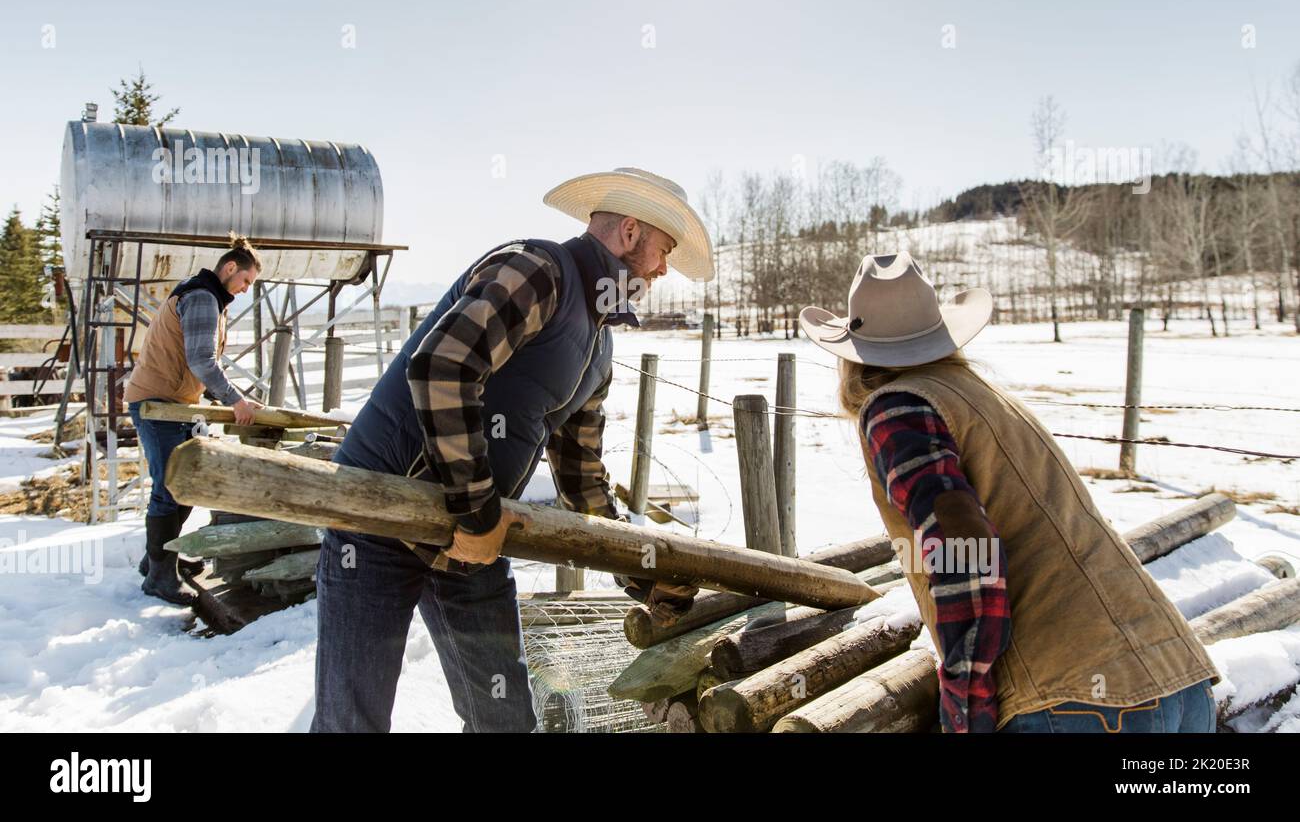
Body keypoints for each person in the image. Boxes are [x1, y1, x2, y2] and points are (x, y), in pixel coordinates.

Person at [310, 168, 715, 733]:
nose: (663, 269)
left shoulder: (598, 343)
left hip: (468, 540)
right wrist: (478, 512)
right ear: (629, 232)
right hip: (380, 515)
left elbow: (582, 475)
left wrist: (639, 574)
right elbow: (443, 366)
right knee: (352, 720)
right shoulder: (537, 270)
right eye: (663, 250)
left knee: (503, 719)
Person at [800, 251, 1220, 733]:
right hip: (1176, 679)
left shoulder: (898, 408)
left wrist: (966, 707)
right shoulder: (982, 394)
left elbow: (966, 554)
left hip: (1070, 697)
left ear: (853, 356)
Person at [125, 235, 265, 605]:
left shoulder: (210, 298)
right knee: (171, 487)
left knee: (186, 483)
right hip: (158, 405)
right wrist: (236, 400)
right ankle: (159, 576)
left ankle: (159, 558)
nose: (245, 289)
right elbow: (202, 360)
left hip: (177, 404)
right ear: (230, 267)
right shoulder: (203, 297)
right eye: (246, 281)